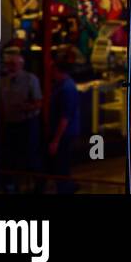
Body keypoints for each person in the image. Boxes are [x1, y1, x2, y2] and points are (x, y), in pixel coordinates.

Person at [0, 48, 41, 192]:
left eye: (12, 64)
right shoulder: (3, 81)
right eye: (7, 64)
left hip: (27, 123)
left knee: (29, 155)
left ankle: (37, 184)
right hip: (10, 124)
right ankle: (11, 185)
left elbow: (38, 102)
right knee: (9, 156)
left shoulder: (30, 80)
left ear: (20, 64)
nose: (9, 67)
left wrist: (26, 107)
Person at [46, 56, 81, 193]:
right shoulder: (61, 86)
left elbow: (64, 117)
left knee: (62, 162)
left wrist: (56, 140)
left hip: (65, 133)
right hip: (62, 132)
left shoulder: (66, 89)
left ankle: (65, 188)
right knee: (60, 162)